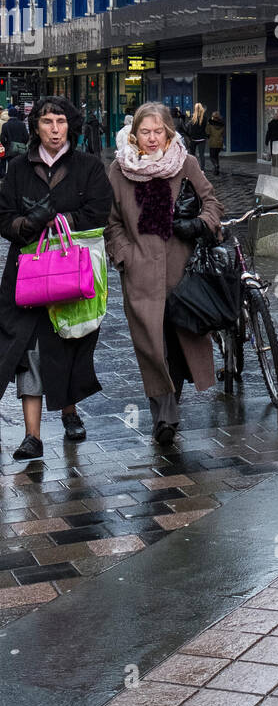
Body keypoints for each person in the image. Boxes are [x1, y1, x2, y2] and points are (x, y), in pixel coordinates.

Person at [0, 96, 114, 460]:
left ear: (70, 126)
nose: (54, 128)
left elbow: (99, 211)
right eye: (47, 121)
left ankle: (70, 412)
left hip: (72, 271)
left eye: (60, 121)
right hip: (28, 275)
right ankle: (32, 436)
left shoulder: (89, 166)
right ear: (35, 126)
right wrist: (28, 223)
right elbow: (4, 217)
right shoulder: (18, 168)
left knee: (68, 343)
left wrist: (58, 220)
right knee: (29, 351)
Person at [104, 101, 222, 446]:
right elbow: (110, 222)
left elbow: (213, 203)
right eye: (145, 131)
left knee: (177, 341)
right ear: (134, 133)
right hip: (140, 274)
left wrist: (197, 224)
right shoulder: (118, 169)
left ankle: (170, 410)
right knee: (152, 348)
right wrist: (125, 256)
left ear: (169, 132)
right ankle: (164, 415)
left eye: (158, 131)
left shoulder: (186, 164)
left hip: (182, 273)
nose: (152, 138)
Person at [185, 102, 208, 168]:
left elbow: (187, 127)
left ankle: (193, 168)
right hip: (202, 138)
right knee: (201, 155)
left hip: (193, 139)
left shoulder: (192, 118)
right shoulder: (205, 118)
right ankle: (202, 169)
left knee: (192, 155)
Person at [205, 111, 225, 175]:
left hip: (213, 141)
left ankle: (216, 165)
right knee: (216, 156)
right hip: (220, 142)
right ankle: (217, 170)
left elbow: (207, 132)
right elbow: (223, 133)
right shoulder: (222, 124)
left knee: (212, 156)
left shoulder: (210, 124)